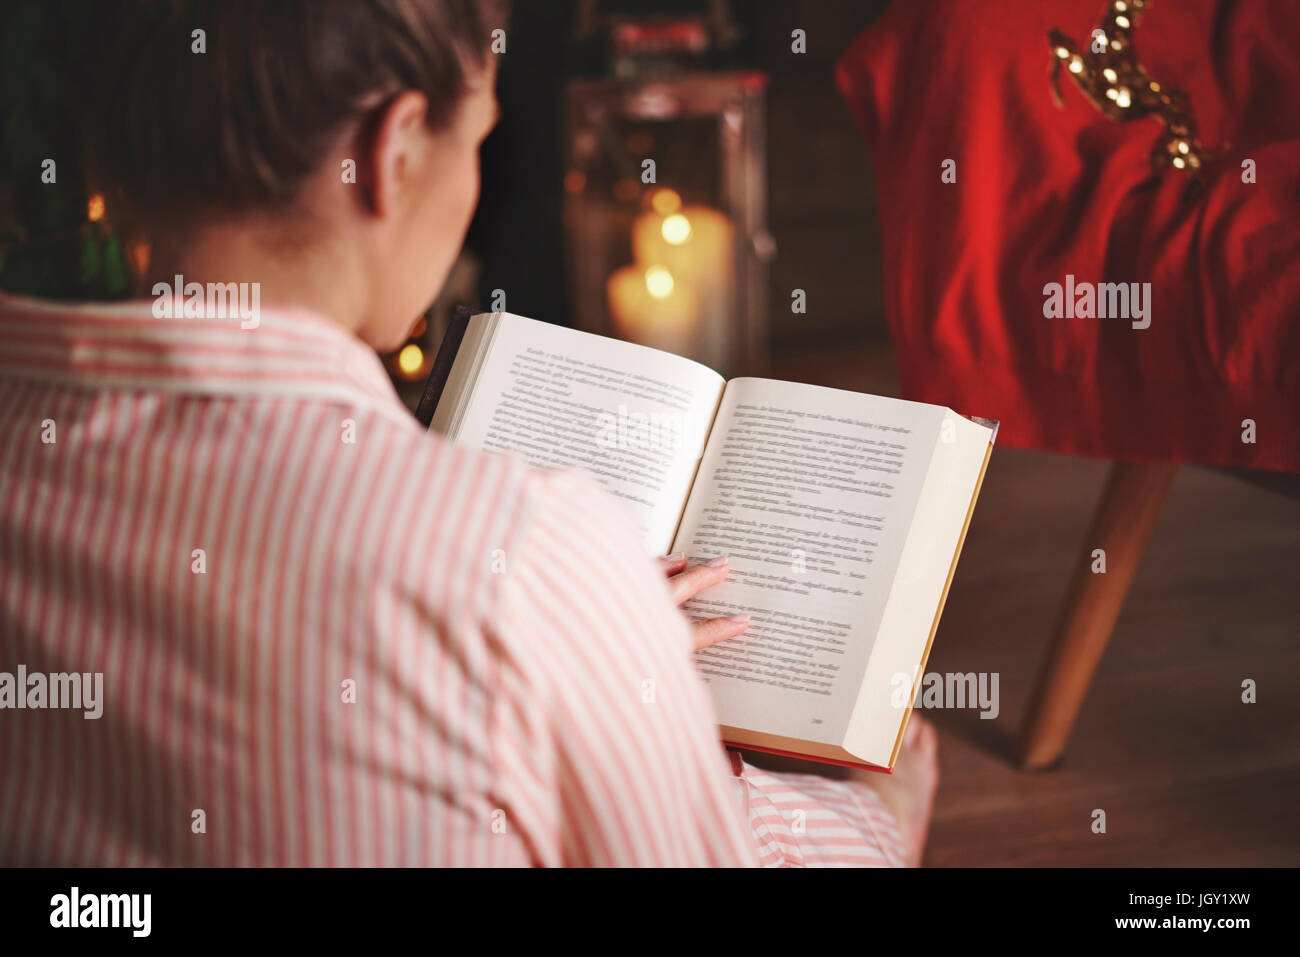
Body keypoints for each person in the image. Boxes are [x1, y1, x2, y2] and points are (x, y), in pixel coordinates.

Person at [0, 0, 936, 866]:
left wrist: (577, 643)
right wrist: (875, 822)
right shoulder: (523, 555)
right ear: (394, 150)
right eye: (479, 136)